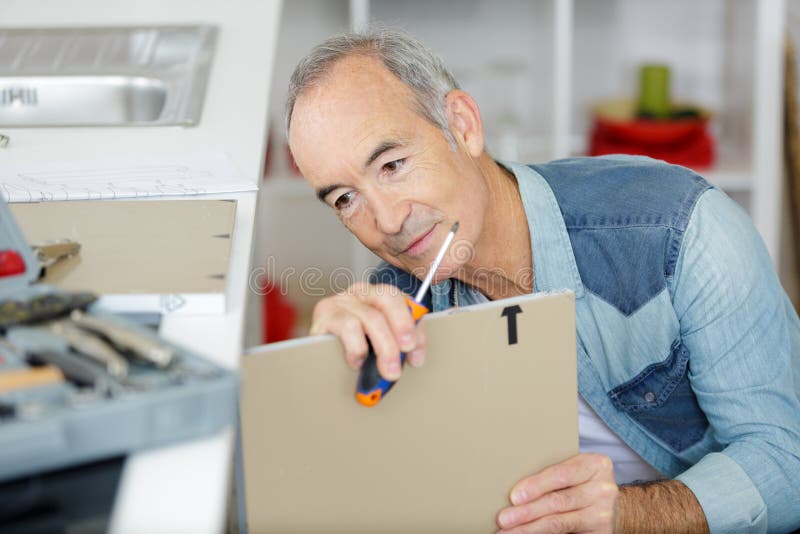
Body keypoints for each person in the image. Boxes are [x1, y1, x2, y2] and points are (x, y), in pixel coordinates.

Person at [285, 28, 800, 533]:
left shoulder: (679, 228)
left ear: (463, 125)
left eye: (393, 165)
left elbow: (787, 464)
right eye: (345, 199)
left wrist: (628, 516)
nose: (387, 220)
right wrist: (329, 375)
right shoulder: (397, 305)